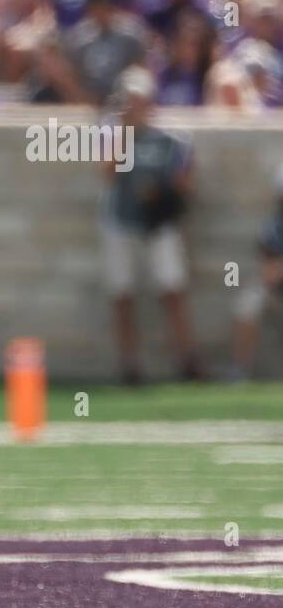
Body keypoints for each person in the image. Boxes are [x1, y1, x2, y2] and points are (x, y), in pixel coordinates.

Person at [100, 66, 201, 384]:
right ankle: (129, 365)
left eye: (138, 100)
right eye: (128, 101)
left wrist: (160, 193)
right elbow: (107, 174)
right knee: (123, 295)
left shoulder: (172, 139)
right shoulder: (114, 134)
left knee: (172, 291)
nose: (133, 107)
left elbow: (185, 183)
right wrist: (125, 133)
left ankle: (186, 359)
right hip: (121, 221)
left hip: (159, 224)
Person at [230, 163, 283, 378]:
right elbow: (268, 269)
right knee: (248, 302)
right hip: (276, 290)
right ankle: (240, 370)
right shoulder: (273, 225)